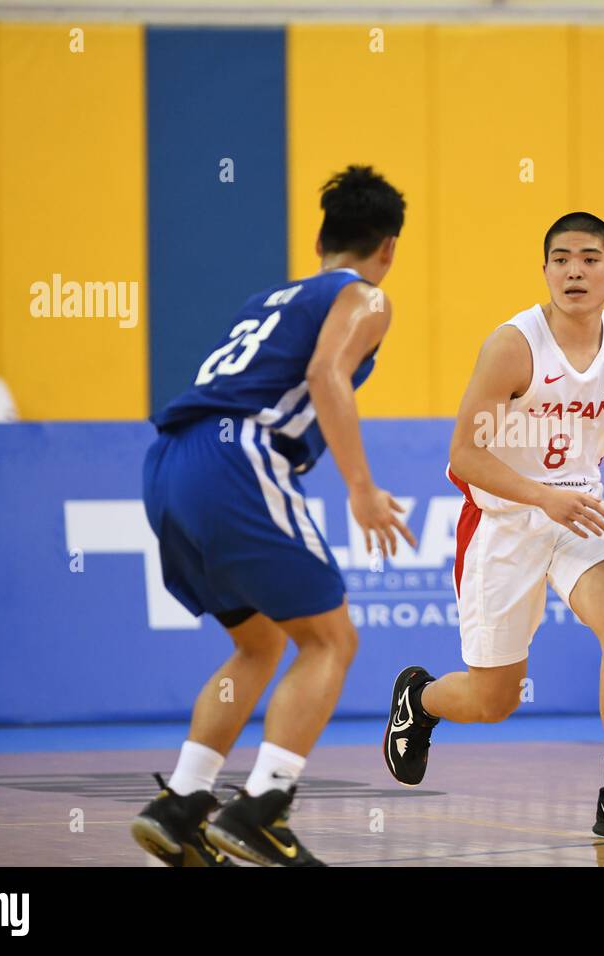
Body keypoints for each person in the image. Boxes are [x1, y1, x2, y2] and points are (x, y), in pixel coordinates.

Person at [382, 212, 604, 841]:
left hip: (580, 513)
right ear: (544, 272)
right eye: (562, 258)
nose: (576, 269)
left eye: (590, 258)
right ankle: (419, 699)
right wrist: (541, 498)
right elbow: (465, 455)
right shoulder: (512, 346)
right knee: (495, 701)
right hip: (504, 520)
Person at [131, 166, 416, 867]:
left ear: (319, 237)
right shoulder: (368, 298)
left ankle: (183, 805)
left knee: (258, 645)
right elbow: (324, 377)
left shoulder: (268, 299)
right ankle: (262, 807)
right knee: (332, 642)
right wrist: (361, 487)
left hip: (168, 464)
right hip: (238, 458)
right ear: (388, 249)